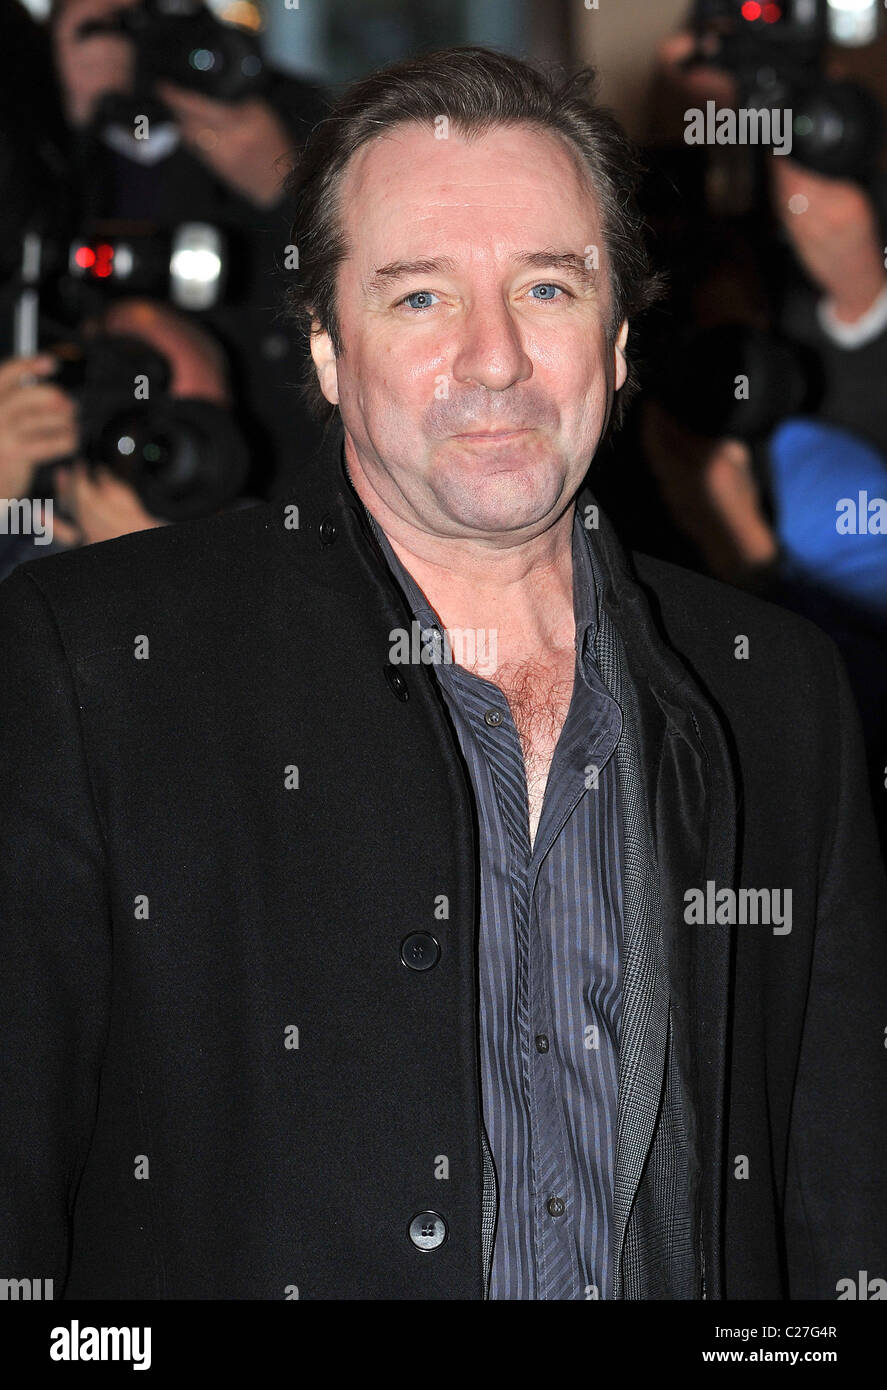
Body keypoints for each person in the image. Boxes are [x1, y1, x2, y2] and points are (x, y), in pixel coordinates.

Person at [0, 47, 885, 1302]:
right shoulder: (92, 662)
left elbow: (841, 1189)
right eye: (418, 298)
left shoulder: (774, 692)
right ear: (321, 346)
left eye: (544, 288)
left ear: (620, 341)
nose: (493, 360)